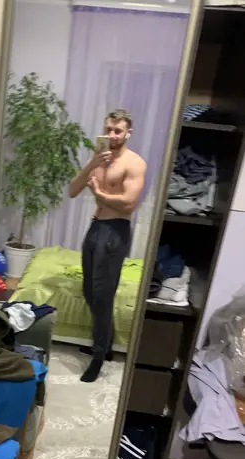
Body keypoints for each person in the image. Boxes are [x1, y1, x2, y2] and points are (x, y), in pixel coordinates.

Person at [69, 109, 146, 383]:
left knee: (102, 295)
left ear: (128, 133)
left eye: (117, 131)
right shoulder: (99, 159)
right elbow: (72, 190)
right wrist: (92, 163)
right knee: (90, 291)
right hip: (96, 227)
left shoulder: (134, 163)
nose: (112, 135)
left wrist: (99, 193)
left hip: (115, 230)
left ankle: (99, 355)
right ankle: (107, 343)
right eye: (108, 130)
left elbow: (128, 204)